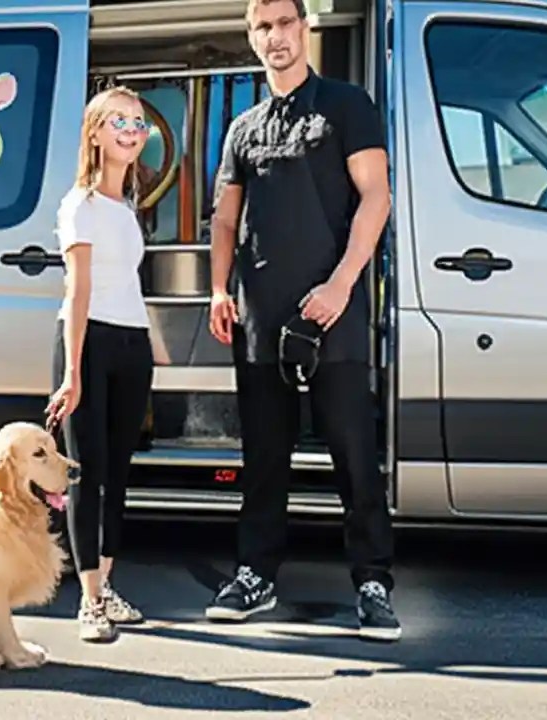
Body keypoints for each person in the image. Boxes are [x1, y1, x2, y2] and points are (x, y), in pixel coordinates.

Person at [202, 0, 401, 641]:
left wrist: (342, 285)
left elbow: (377, 196)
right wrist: (217, 289)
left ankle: (372, 583)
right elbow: (225, 218)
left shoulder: (347, 105)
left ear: (304, 29)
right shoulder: (242, 128)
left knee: (353, 455)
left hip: (333, 314)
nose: (276, 37)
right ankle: (255, 576)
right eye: (263, 27)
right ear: (252, 38)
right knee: (263, 459)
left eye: (285, 23)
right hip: (262, 319)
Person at [46, 86, 154, 643]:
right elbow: (78, 290)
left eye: (140, 124)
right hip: (88, 343)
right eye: (120, 121)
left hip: (133, 345)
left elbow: (126, 283)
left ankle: (106, 585)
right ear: (95, 132)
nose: (132, 131)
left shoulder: (126, 208)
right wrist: (72, 373)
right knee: (85, 475)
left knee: (118, 473)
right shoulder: (78, 205)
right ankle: (88, 601)